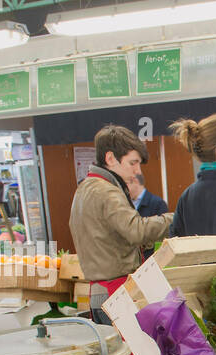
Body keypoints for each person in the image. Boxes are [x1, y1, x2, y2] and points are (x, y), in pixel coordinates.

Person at [69, 124, 173, 322]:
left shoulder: (85, 188)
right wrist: (178, 218)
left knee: (117, 352)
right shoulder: (106, 191)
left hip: (100, 293)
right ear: (110, 158)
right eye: (132, 163)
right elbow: (136, 231)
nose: (137, 171)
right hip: (116, 292)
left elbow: (113, 237)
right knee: (132, 353)